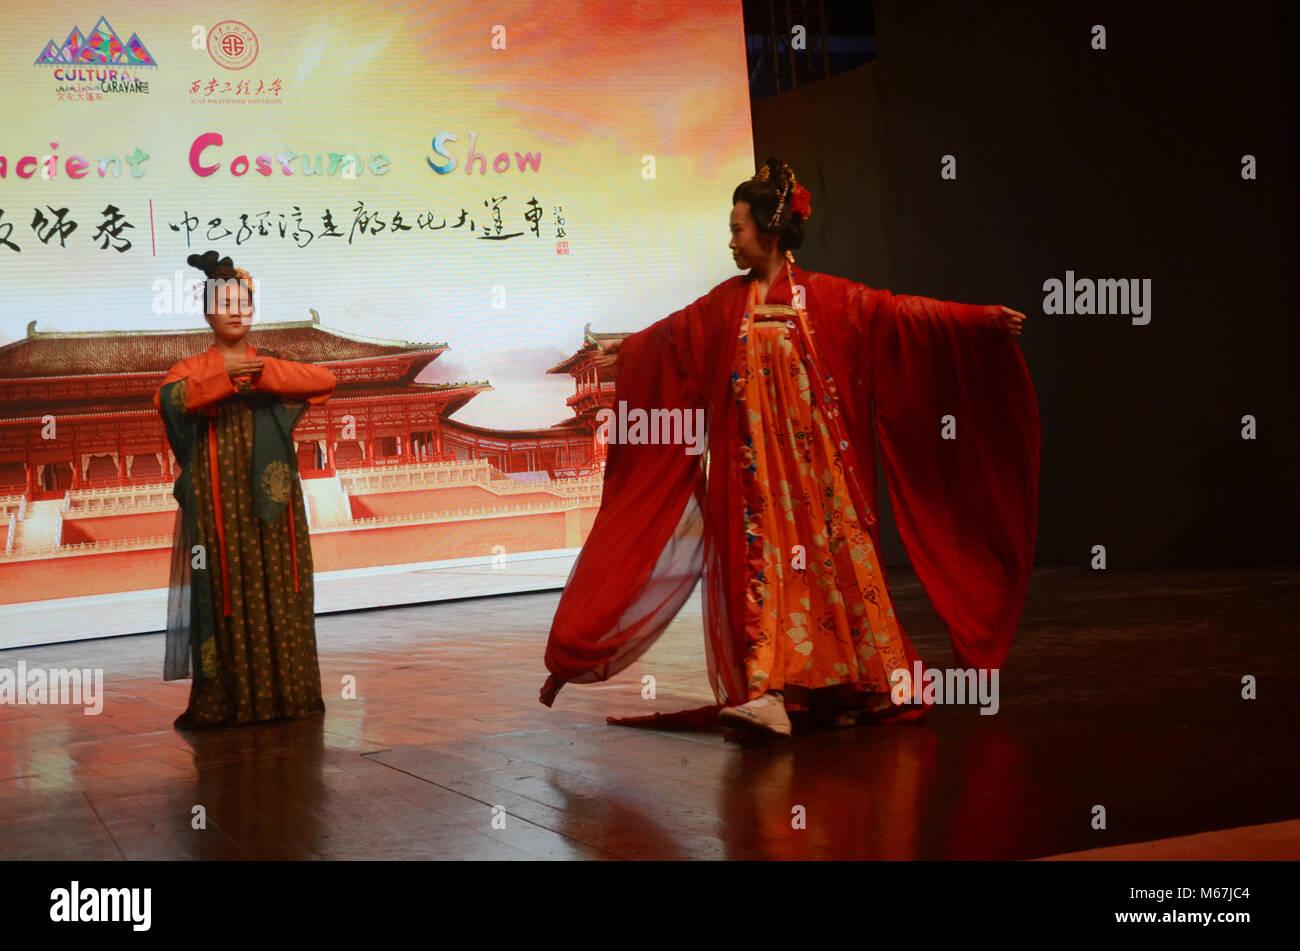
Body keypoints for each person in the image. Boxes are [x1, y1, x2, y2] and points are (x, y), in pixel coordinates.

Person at [539, 158, 1039, 737]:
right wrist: (624, 355)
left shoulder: (827, 299)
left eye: (738, 229)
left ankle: (860, 685)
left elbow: (901, 313)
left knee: (834, 575)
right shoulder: (729, 305)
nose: (731, 241)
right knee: (766, 573)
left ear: (769, 231)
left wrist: (978, 320)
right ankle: (770, 693)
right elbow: (671, 339)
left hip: (818, 478)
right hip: (757, 483)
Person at [153, 251, 336, 730]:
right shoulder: (189, 367)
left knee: (280, 585)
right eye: (226, 302)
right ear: (208, 312)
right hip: (216, 502)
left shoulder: (273, 364)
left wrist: (260, 376)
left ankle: (288, 693)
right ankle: (226, 701)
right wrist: (225, 380)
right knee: (224, 590)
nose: (237, 311)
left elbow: (324, 381)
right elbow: (171, 399)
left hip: (272, 504)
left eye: (244, 303)